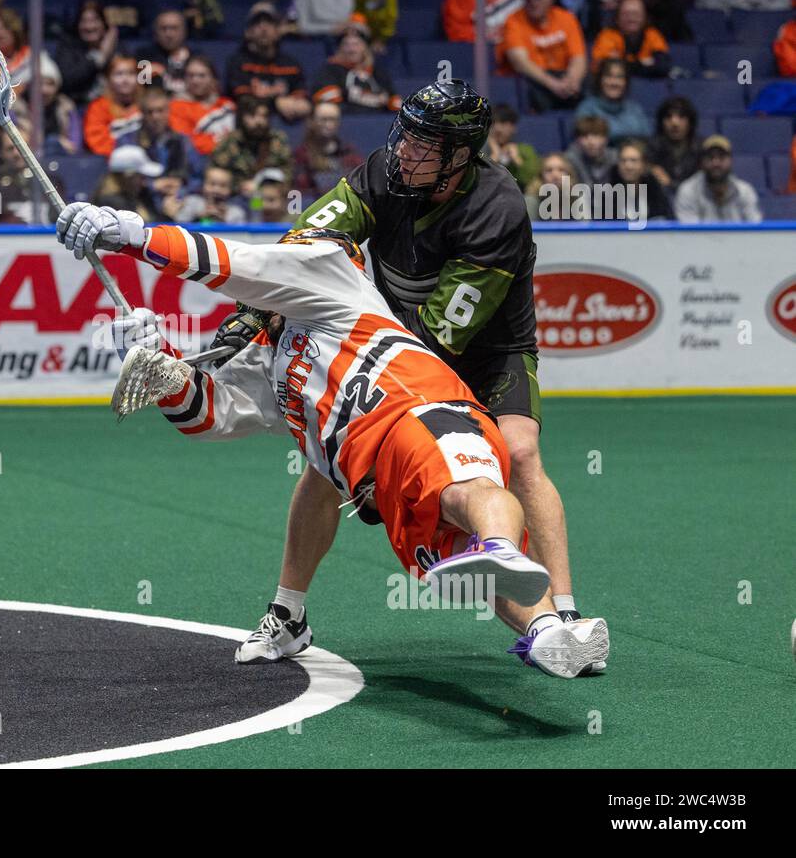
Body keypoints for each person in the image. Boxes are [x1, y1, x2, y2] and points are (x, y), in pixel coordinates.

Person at [53, 197, 609, 679]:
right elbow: (210, 416)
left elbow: (229, 263)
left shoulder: (327, 271)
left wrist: (130, 236)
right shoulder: (269, 359)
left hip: (418, 412)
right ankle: (549, 634)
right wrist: (158, 361)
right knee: (466, 566)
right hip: (377, 483)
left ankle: (501, 546)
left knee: (465, 494)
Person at [198, 80, 596, 668]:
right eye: (405, 134)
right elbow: (308, 241)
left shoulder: (498, 208)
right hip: (395, 332)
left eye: (423, 142)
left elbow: (441, 337)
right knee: (324, 466)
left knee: (519, 452)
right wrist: (257, 309)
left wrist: (382, 457)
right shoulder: (383, 171)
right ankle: (288, 616)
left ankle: (564, 616)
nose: (404, 150)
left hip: (488, 348)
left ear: (459, 156)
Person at [501, 0, 587, 113]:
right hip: (536, 80)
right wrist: (553, 84)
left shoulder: (566, 17)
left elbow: (578, 57)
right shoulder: (514, 21)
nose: (533, 2)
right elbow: (520, 63)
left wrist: (572, 81)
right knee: (532, 91)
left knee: (588, 86)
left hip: (565, 76)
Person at [225, 8, 312, 122]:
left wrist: (302, 105)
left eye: (269, 23)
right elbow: (243, 100)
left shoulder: (291, 64)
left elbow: (302, 96)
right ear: (248, 32)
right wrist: (276, 103)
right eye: (257, 23)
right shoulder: (238, 63)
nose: (264, 28)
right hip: (249, 123)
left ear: (278, 32)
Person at [120, 85, 205, 199]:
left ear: (168, 111)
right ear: (142, 114)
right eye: (150, 112)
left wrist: (180, 191)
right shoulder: (128, 141)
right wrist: (152, 185)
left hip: (178, 199)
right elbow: (121, 179)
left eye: (160, 110)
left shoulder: (183, 141)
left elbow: (199, 177)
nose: (155, 117)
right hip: (140, 200)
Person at [210, 96, 295, 198]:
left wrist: (263, 186)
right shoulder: (229, 142)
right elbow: (216, 174)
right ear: (242, 117)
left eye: (264, 116)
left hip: (269, 197)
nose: (259, 121)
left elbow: (288, 172)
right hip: (236, 197)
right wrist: (240, 186)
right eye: (252, 115)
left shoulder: (277, 140)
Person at [673, 135, 764, 223]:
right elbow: (689, 231)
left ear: (731, 161)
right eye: (710, 157)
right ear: (702, 162)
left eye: (721, 157)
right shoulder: (688, 191)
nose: (716, 163)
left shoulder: (745, 191)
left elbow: (756, 227)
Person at [311, 28, 401, 112]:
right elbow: (324, 96)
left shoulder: (377, 72)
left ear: (365, 48)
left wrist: (389, 102)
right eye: (346, 45)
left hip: (379, 121)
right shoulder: (331, 70)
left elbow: (395, 102)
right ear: (340, 49)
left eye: (356, 44)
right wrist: (349, 93)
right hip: (346, 120)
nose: (352, 50)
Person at [292, 101, 362, 201]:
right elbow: (299, 191)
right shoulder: (302, 155)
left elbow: (359, 183)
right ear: (312, 121)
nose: (328, 124)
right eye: (323, 120)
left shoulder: (349, 153)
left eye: (333, 119)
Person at [169, 55, 237, 156]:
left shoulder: (227, 104)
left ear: (213, 79)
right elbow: (187, 144)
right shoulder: (177, 107)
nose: (195, 81)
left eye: (202, 76)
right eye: (190, 75)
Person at [590, 0, 670, 79]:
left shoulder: (652, 34)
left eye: (636, 14)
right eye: (626, 14)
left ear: (645, 17)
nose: (631, 18)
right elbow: (605, 67)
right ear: (617, 18)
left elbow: (663, 66)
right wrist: (643, 64)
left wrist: (624, 62)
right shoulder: (607, 36)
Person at [53, 1, 117, 107]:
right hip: (78, 106)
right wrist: (99, 56)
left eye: (95, 20)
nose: (89, 26)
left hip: (110, 107)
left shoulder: (116, 48)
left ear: (104, 24)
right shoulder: (68, 47)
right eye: (84, 21)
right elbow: (68, 80)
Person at [574, 58, 652, 144]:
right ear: (600, 80)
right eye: (609, 76)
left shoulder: (635, 109)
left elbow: (648, 138)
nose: (614, 82)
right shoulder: (587, 109)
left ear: (626, 82)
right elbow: (587, 143)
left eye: (620, 77)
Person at [83, 55, 143, 157]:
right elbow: (97, 142)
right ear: (108, 78)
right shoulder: (98, 107)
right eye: (119, 74)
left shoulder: (147, 103)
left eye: (131, 73)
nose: (125, 79)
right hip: (113, 160)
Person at [91, 146, 163, 223]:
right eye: (142, 177)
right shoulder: (112, 204)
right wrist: (167, 214)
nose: (144, 183)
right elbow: (140, 228)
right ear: (128, 177)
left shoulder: (138, 195)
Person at [605, 139, 671, 220]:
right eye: (623, 160)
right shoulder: (607, 193)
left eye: (634, 161)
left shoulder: (656, 190)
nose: (628, 166)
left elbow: (666, 219)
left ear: (644, 164)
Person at [646, 95, 700, 193]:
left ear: (690, 122)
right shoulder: (651, 149)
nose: (674, 123)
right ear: (661, 122)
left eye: (681, 117)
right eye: (668, 117)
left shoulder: (701, 149)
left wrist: (671, 183)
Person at [485, 104, 541, 192]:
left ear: (513, 127)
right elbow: (480, 180)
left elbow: (531, 180)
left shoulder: (525, 150)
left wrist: (517, 159)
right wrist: (495, 156)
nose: (497, 128)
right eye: (493, 123)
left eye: (503, 123)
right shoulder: (481, 150)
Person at [137, 10, 191, 99]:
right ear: (155, 32)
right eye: (163, 28)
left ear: (184, 31)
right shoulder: (143, 57)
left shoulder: (195, 58)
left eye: (174, 28)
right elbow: (140, 89)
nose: (169, 34)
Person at [170, 165, 247, 224]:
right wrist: (198, 217)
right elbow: (179, 225)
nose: (216, 190)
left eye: (223, 186)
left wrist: (223, 220)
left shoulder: (236, 212)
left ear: (230, 190)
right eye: (212, 184)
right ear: (203, 185)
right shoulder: (192, 203)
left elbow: (240, 236)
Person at [527, 152, 589, 221]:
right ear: (541, 177)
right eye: (549, 170)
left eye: (561, 170)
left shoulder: (577, 198)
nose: (555, 175)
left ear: (569, 175)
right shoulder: (532, 200)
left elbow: (585, 226)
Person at [564, 115, 616, 186]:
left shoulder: (615, 157)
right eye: (584, 136)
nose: (591, 142)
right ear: (577, 140)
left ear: (606, 139)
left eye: (596, 135)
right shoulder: (569, 160)